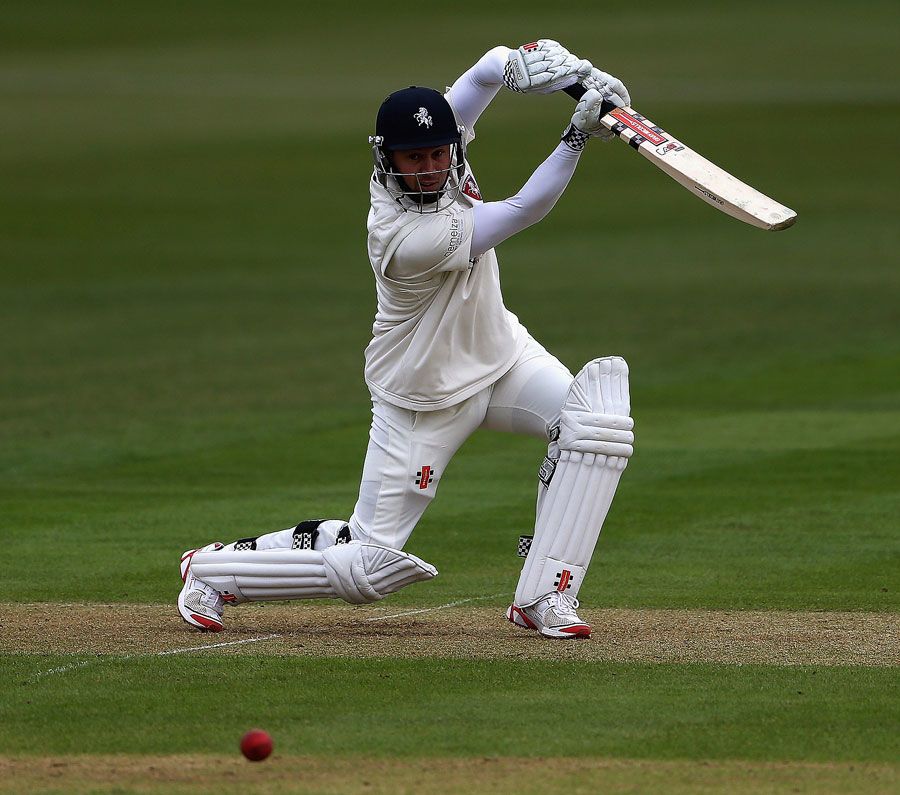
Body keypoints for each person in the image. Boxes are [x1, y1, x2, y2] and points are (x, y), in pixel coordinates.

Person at [178, 40, 635, 639]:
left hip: (501, 359)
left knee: (594, 421)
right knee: (367, 561)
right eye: (412, 158)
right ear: (387, 160)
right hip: (422, 397)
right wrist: (575, 138)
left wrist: (530, 69)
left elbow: (476, 83)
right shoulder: (401, 234)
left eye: (437, 154)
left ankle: (545, 596)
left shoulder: (447, 154)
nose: (427, 167)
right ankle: (215, 571)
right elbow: (520, 210)